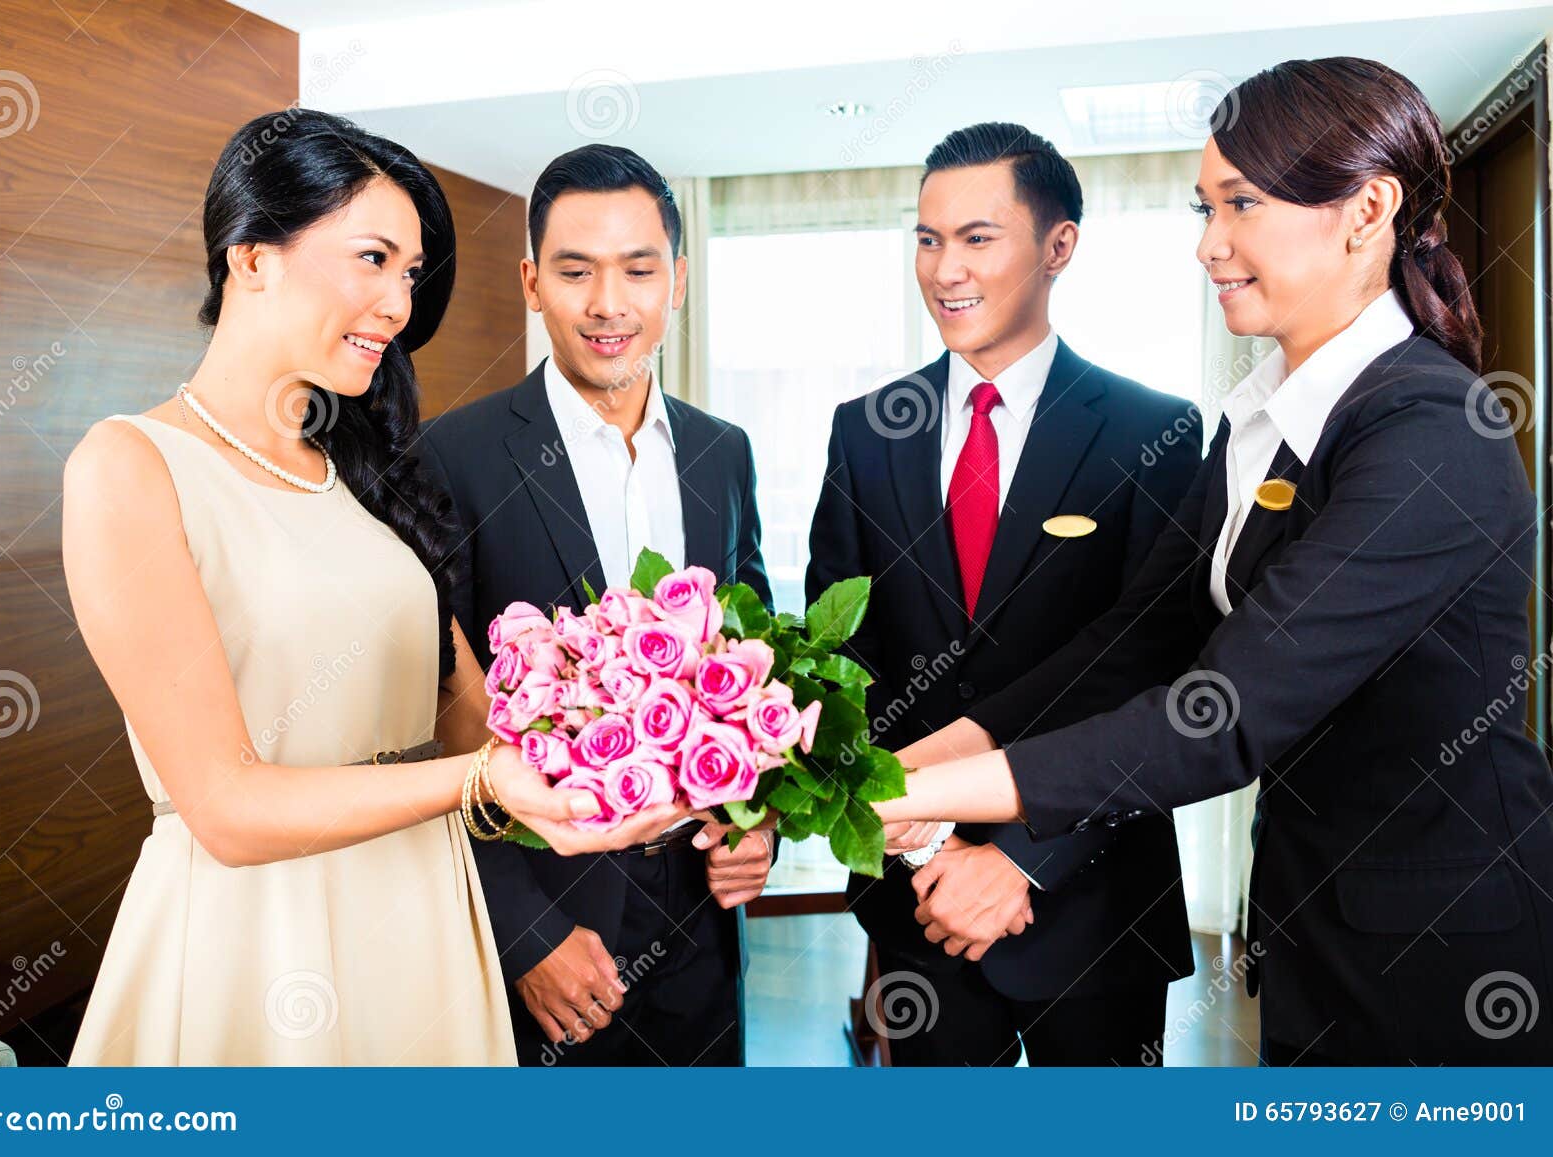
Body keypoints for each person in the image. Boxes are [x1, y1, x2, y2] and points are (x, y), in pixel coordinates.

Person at [874, 58, 1553, 1065]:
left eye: (1239, 205)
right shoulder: (1264, 421)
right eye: (1204, 207)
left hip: (1441, 942)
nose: (1208, 245)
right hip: (1316, 910)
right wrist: (936, 748)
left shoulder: (1429, 434)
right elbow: (1140, 640)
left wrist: (918, 799)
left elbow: (1222, 714)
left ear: (1366, 208)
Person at [63, 111, 682, 1066]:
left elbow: (472, 717)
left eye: (410, 272)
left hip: (427, 913)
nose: (398, 303)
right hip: (264, 933)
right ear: (252, 254)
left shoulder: (364, 469)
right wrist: (481, 780)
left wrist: (634, 752)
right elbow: (224, 807)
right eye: (374, 257)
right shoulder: (131, 465)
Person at [807, 123, 1201, 1066]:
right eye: (927, 238)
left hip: (1094, 894)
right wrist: (929, 852)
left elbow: (1149, 664)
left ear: (1058, 246)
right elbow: (836, 666)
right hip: (920, 906)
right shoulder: (867, 434)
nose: (946, 268)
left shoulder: (1158, 430)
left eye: (978, 237)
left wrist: (1024, 858)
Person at [413, 144, 775, 1067]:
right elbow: (426, 724)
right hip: (547, 923)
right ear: (534, 281)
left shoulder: (720, 451)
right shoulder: (453, 456)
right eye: (576, 270)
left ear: (678, 280)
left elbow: (750, 663)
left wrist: (754, 816)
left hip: (700, 918)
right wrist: (523, 932)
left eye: (638, 269)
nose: (608, 302)